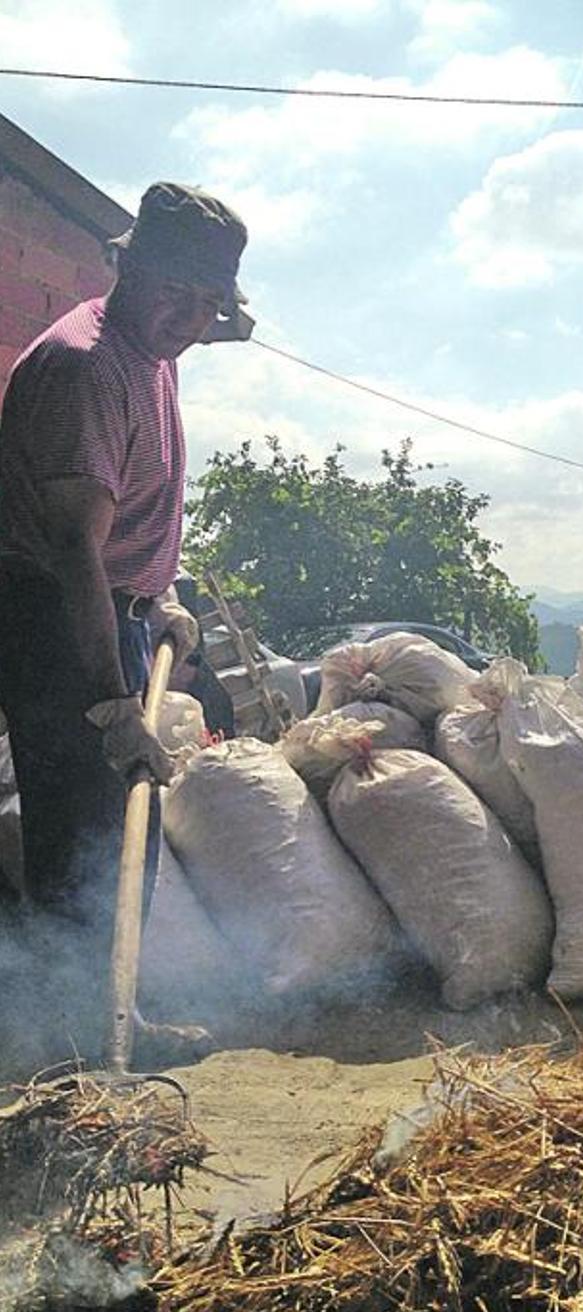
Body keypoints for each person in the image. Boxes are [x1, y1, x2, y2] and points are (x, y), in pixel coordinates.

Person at [0, 181, 250, 1065]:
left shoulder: (155, 350)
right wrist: (111, 706)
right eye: (173, 290)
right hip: (57, 622)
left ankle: (112, 1020)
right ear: (126, 264)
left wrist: (161, 589)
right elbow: (74, 551)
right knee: (84, 834)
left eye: (207, 300)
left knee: (121, 834)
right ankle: (70, 1051)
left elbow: (126, 520)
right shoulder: (85, 368)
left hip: (115, 607)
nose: (189, 316)